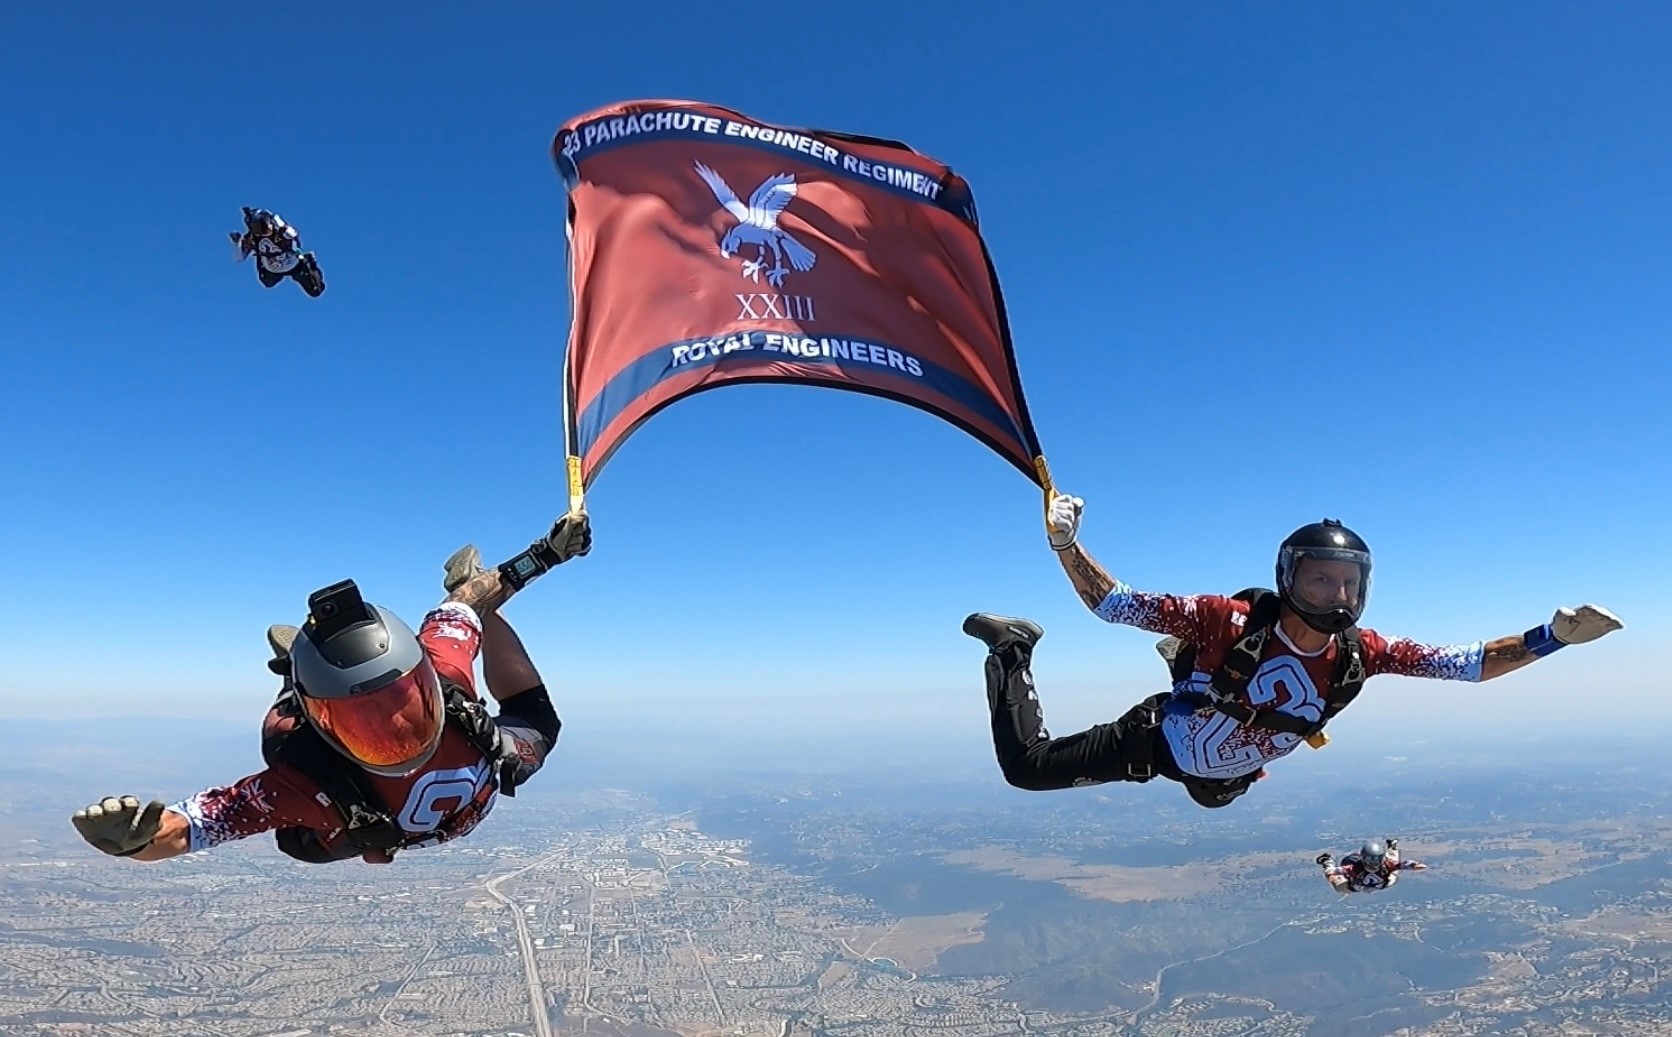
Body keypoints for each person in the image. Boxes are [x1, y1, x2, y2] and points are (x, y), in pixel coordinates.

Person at [964, 493, 1623, 809]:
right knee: (1026, 769)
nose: (1336, 593)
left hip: (1225, 768)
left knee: (1214, 795)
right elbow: (1117, 604)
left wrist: (1552, 638)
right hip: (1156, 742)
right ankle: (1013, 649)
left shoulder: (1360, 651)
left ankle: (1193, 686)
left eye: (1347, 581)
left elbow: (1463, 663)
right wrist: (1066, 546)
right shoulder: (1229, 619)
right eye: (1319, 578)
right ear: (1289, 577)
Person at [70, 515, 591, 864]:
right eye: (362, 722)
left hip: (387, 816)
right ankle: (295, 678)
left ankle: (302, 669)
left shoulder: (442, 669)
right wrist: (543, 557)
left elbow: (196, 828)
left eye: (403, 703)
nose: (395, 732)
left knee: (530, 710)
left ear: (421, 679)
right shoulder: (311, 781)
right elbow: (195, 826)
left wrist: (546, 553)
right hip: (406, 809)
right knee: (300, 835)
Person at [229, 206, 324, 296]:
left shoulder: (280, 232)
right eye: (257, 229)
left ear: (270, 222)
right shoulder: (252, 239)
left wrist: (281, 223)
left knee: (316, 291)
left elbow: (292, 235)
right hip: (272, 269)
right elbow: (239, 258)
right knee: (267, 283)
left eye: (264, 227)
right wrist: (237, 244)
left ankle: (308, 260)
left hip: (295, 264)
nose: (261, 232)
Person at [1317, 837, 1426, 893]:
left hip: (1374, 885)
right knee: (1339, 886)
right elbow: (1337, 871)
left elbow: (1403, 865)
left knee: (1393, 869)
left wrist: (1414, 865)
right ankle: (1327, 861)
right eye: (1370, 860)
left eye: (1376, 860)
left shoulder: (1386, 865)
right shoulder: (1354, 868)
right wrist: (1330, 871)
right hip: (1355, 887)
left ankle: (1392, 847)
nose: (1373, 864)